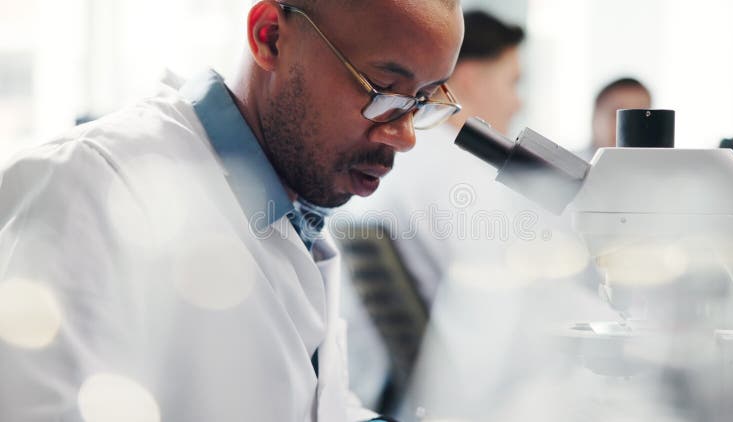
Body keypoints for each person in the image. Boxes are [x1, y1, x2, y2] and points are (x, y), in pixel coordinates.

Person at [0, 1, 464, 421]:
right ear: (270, 37)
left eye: (424, 101)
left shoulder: (290, 205)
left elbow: (308, 404)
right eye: (384, 91)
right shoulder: (88, 183)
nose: (405, 136)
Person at [340, 10, 525, 414]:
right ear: (471, 78)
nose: (519, 101)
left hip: (371, 386)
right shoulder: (459, 175)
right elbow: (494, 312)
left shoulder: (402, 155)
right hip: (439, 400)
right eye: (513, 82)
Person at [590, 77, 652, 151]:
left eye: (640, 116)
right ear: (595, 117)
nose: (631, 126)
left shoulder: (660, 158)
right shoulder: (577, 158)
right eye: (618, 115)